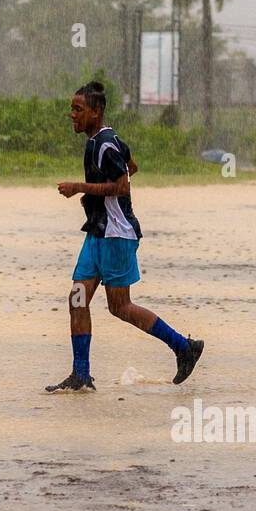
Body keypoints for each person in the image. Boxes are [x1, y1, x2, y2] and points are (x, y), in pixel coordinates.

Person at [48, 81, 204, 392]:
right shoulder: (104, 141)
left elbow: (123, 185)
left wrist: (81, 188)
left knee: (120, 307)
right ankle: (81, 375)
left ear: (97, 112)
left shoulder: (105, 144)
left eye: (79, 109)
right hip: (96, 232)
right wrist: (96, 199)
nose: (72, 115)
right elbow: (132, 166)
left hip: (117, 235)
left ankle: (183, 348)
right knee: (77, 299)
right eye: (72, 109)